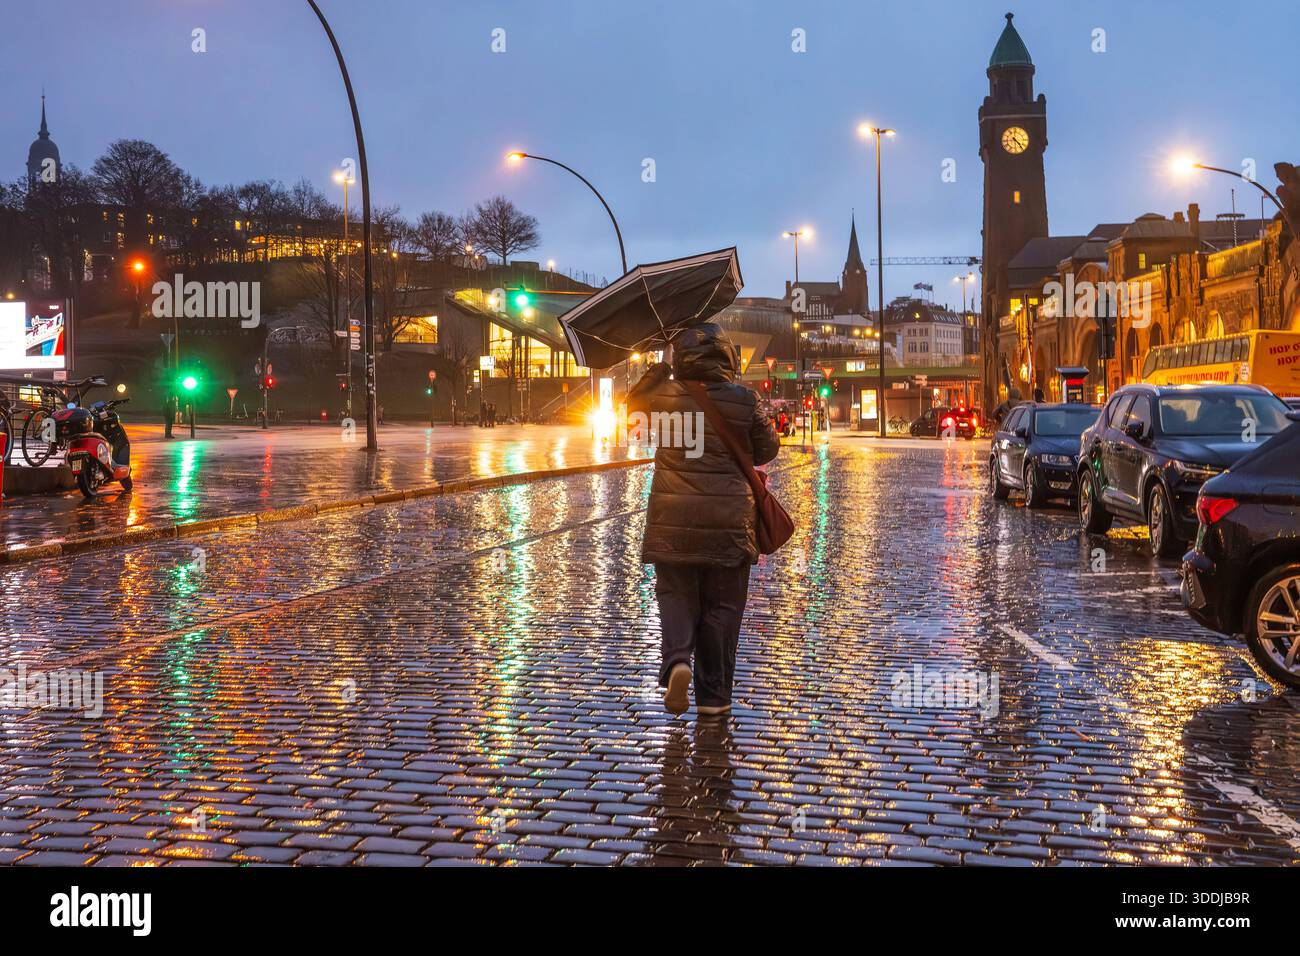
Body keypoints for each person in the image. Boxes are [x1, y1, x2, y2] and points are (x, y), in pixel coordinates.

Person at [627, 323, 780, 717]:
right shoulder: (743, 400)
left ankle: (678, 659)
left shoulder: (662, 398)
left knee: (675, 594)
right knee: (723, 607)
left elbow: (633, 419)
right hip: (728, 521)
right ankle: (714, 699)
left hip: (672, 519)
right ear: (728, 360)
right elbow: (767, 449)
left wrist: (659, 370)